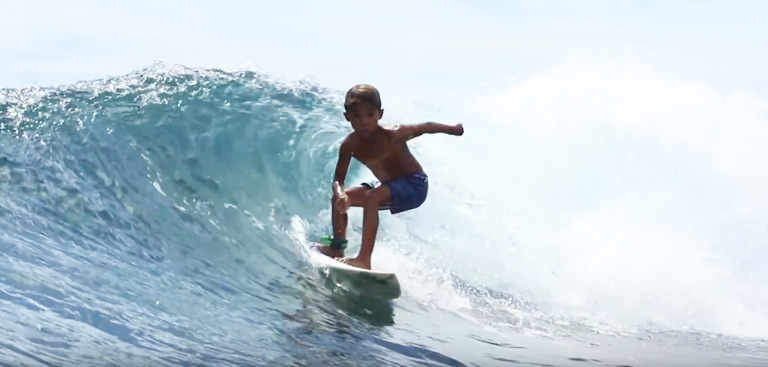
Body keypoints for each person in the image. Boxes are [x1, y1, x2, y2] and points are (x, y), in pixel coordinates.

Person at [316, 84, 464, 269]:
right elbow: (339, 179)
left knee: (372, 197)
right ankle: (337, 248)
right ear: (347, 117)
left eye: (370, 114)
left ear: (380, 114)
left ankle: (364, 259)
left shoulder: (394, 134)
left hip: (415, 185)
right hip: (387, 184)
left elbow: (426, 127)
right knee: (342, 199)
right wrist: (340, 194)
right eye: (357, 116)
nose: (364, 121)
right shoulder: (350, 145)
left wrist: (453, 129)